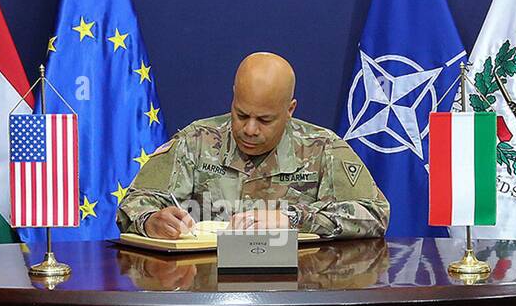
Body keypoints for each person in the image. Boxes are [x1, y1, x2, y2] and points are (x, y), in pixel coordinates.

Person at [116, 52, 390, 239]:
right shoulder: (196, 141)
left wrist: (292, 220)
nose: (249, 129)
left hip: (299, 291)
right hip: (204, 290)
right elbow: (133, 205)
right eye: (241, 114)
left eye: (264, 119)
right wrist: (151, 220)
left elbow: (375, 215)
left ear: (290, 109)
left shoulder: (322, 148)